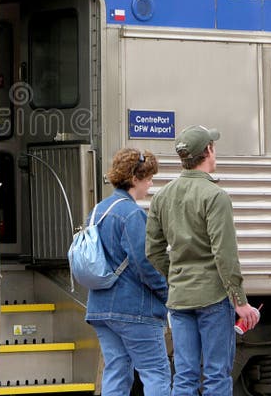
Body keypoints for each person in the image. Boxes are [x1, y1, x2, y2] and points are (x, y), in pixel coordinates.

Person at [146, 125, 259, 396]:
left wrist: (176, 277)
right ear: (208, 150)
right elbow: (225, 254)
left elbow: (152, 249)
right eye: (213, 146)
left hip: (180, 298)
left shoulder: (162, 196)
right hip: (213, 298)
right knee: (216, 374)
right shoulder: (215, 196)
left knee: (184, 375)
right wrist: (240, 301)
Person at [85, 148, 171, 396]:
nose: (150, 184)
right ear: (134, 179)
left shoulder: (98, 211)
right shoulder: (132, 214)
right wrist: (167, 293)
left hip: (100, 307)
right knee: (155, 372)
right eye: (148, 179)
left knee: (116, 370)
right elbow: (144, 263)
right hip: (135, 309)